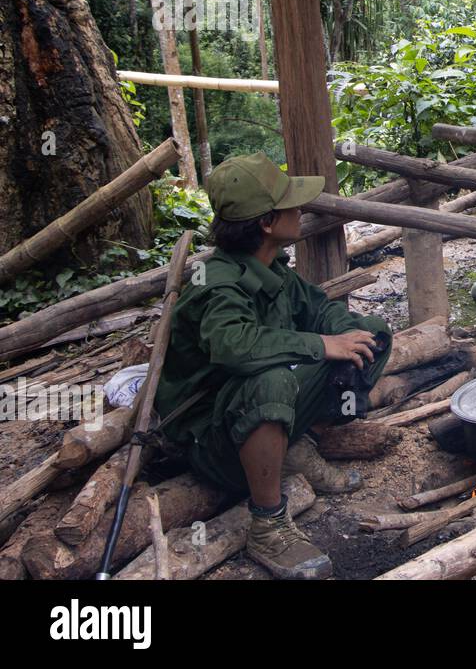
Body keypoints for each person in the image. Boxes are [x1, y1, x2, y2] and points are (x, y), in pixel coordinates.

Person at [155, 153, 392, 579]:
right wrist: (321, 344)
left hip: (245, 414)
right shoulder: (218, 283)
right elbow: (234, 348)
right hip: (211, 442)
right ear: (266, 223)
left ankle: (295, 446)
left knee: (370, 333)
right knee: (273, 381)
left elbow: (318, 310)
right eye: (290, 203)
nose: (299, 210)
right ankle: (267, 525)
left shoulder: (269, 267)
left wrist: (345, 333)